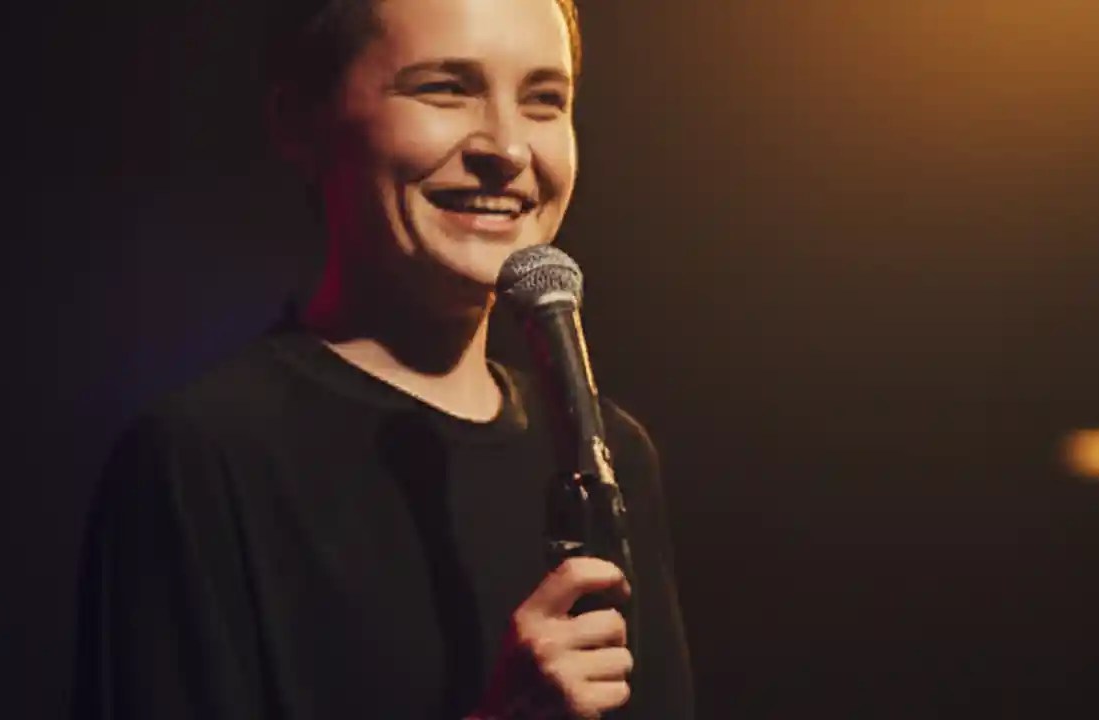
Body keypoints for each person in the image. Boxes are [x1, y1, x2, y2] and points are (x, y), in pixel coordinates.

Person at [72, 0, 694, 717]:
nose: (510, 150)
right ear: (299, 123)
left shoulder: (612, 456)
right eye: (446, 89)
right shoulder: (202, 461)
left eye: (544, 100)